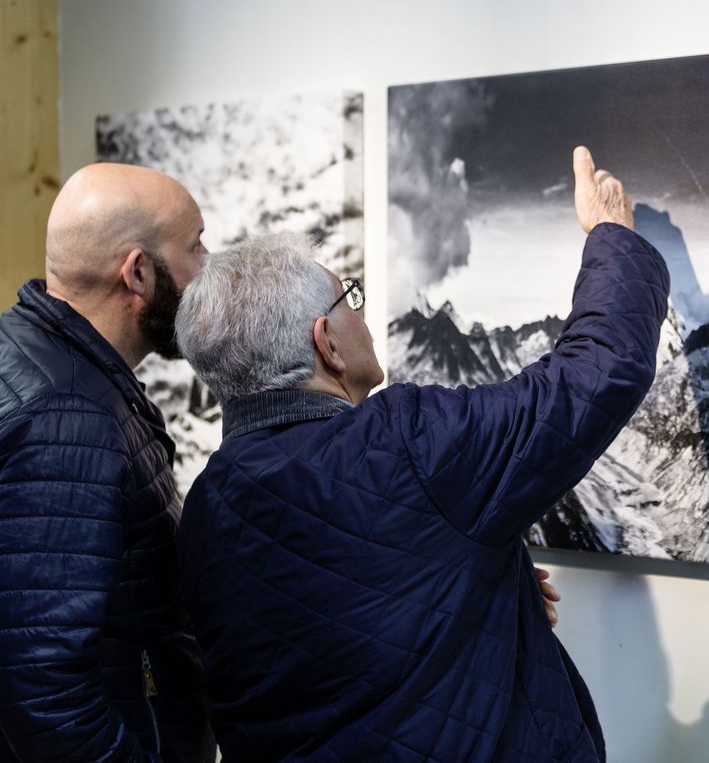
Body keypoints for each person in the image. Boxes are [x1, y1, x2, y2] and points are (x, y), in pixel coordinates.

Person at [174, 146, 669, 762]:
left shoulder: (207, 504)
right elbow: (594, 375)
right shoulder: (403, 444)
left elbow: (346, 630)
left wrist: (486, 576)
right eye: (347, 297)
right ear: (325, 343)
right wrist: (612, 237)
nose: (360, 310)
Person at [0, 164, 216, 762]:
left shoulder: (46, 362)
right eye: (195, 244)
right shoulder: (67, 417)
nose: (208, 264)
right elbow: (44, 687)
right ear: (139, 273)